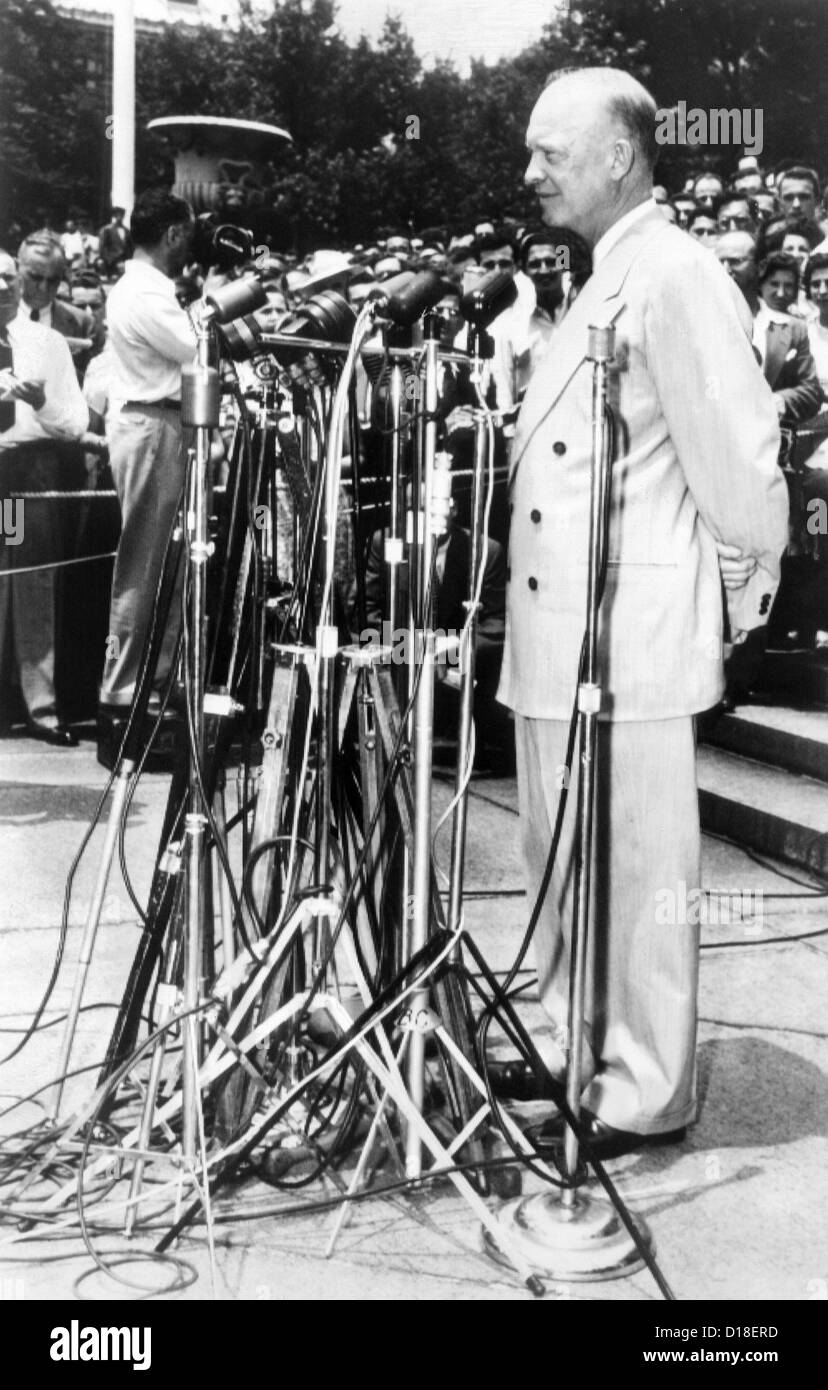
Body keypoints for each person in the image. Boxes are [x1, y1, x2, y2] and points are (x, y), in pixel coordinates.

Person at [496, 67, 788, 1158]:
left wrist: (726, 600)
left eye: (549, 153)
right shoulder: (600, 274)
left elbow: (739, 460)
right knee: (565, 866)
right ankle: (575, 1044)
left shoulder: (673, 273)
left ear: (617, 156)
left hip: (627, 640)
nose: (530, 173)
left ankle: (644, 1085)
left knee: (641, 880)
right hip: (558, 640)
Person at [99, 189, 196, 728]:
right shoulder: (145, 291)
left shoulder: (147, 288)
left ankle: (147, 689)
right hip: (151, 423)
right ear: (173, 235)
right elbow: (196, 349)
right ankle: (120, 697)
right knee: (141, 568)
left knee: (163, 567)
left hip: (161, 423)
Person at [0, 250, 90, 744]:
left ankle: (40, 705)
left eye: (6, 281)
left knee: (30, 583)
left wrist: (40, 402)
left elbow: (75, 422)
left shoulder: (46, 342)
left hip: (25, 476)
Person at [716, 234, 822, 423]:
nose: (725, 269)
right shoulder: (699, 322)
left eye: (735, 262)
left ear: (759, 267)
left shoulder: (792, 328)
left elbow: (811, 391)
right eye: (719, 262)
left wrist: (779, 401)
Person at [98, 207, 132, 279]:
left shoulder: (126, 231)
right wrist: (108, 259)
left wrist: (128, 260)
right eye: (117, 215)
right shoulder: (107, 229)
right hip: (110, 260)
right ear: (114, 216)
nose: (119, 217)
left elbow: (130, 247)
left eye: (121, 215)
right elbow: (102, 247)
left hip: (123, 261)